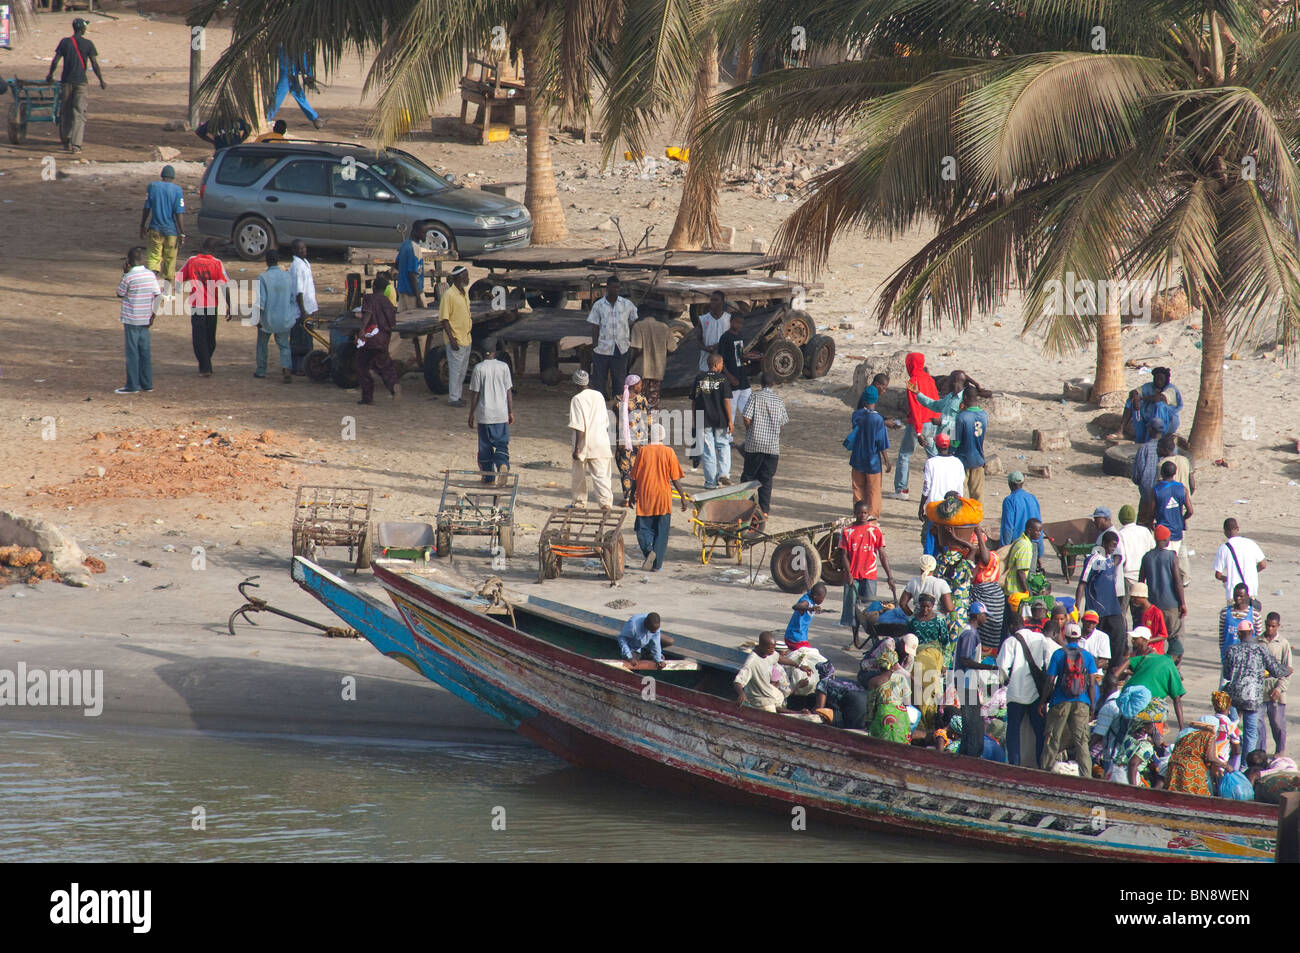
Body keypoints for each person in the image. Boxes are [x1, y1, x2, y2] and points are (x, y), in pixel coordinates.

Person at [1222, 620, 1290, 757]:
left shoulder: (1231, 650)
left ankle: (1232, 757)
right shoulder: (1261, 649)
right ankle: (1246, 765)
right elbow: (1276, 671)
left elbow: (1227, 674)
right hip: (1252, 698)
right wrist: (1287, 670)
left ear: (1239, 634)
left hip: (1234, 697)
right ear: (1252, 632)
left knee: (1232, 728)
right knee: (1251, 733)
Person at [1039, 622, 1098, 775]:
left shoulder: (1058, 654)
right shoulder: (1087, 656)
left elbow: (1050, 680)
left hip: (1060, 701)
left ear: (1064, 636)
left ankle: (1044, 773)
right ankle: (1086, 776)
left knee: (1053, 738)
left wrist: (1042, 701)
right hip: (1082, 701)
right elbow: (1092, 683)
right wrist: (1092, 705)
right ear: (1079, 637)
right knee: (1082, 741)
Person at [628, 423, 688, 571]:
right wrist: (682, 496)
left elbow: (635, 476)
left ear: (650, 436)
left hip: (646, 495)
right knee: (662, 532)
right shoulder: (669, 452)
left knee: (643, 528)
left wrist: (631, 495)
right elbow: (675, 478)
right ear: (663, 437)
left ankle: (649, 551)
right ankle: (656, 565)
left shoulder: (643, 451)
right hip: (663, 498)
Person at [998, 622, 1057, 766]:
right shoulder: (1040, 638)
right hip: (1035, 693)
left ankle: (1014, 764)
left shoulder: (1010, 641)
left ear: (1011, 628)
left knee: (1013, 730)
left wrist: (1005, 681)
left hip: (1015, 693)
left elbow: (1002, 667)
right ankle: (1040, 764)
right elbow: (1049, 661)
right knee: (1039, 730)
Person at [1077, 530, 1126, 700]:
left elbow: (1118, 559)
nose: (1114, 548)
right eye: (1112, 545)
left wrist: (1116, 557)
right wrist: (1077, 608)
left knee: (1119, 639)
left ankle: (1112, 677)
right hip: (1097, 612)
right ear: (1104, 543)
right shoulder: (1093, 560)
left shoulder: (1110, 560)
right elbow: (1082, 584)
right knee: (1095, 643)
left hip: (1113, 609)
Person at [46, 18, 105, 154]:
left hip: (66, 81)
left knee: (66, 111)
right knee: (79, 113)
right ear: (81, 29)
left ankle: (66, 141)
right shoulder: (88, 44)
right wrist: (101, 80)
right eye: (85, 27)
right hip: (81, 82)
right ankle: (76, 144)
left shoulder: (65, 42)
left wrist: (50, 75)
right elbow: (95, 64)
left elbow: (55, 61)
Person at [177, 238, 232, 377]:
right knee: (210, 336)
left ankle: (204, 364)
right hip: (212, 305)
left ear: (202, 247)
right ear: (213, 250)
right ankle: (206, 363)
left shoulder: (192, 260)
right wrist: (230, 305)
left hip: (197, 304)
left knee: (198, 336)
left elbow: (179, 277)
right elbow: (225, 285)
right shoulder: (217, 263)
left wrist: (178, 292)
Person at [836, 501, 896, 627]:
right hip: (852, 573)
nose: (862, 515)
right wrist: (848, 574)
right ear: (855, 513)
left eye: (864, 513)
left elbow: (882, 554)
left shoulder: (875, 531)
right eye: (859, 513)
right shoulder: (847, 531)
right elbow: (844, 555)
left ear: (868, 514)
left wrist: (889, 576)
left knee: (870, 607)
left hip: (869, 574)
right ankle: (853, 632)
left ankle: (868, 630)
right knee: (851, 606)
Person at [1114, 627, 1186, 730]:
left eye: (1135, 638)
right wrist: (1182, 728)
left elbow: (1128, 661)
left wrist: (1115, 675)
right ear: (1179, 658)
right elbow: (1177, 700)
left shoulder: (1151, 656)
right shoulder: (1170, 667)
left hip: (1126, 698)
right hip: (1142, 705)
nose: (1132, 640)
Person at [114, 246, 161, 395]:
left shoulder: (129, 277)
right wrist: (153, 314)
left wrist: (124, 273)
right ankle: (147, 384)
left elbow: (120, 293)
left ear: (128, 261)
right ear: (143, 260)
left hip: (131, 318)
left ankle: (132, 385)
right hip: (146, 318)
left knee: (132, 352)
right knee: (145, 351)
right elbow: (157, 295)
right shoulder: (150, 275)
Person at [893, 352, 940, 501]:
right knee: (935, 457)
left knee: (905, 455)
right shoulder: (929, 379)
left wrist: (919, 432)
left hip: (918, 424)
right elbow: (935, 402)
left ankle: (902, 489)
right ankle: (939, 488)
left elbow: (915, 408)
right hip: (932, 422)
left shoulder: (913, 381)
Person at [739, 373, 787, 517]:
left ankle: (747, 507)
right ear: (773, 384)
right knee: (766, 480)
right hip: (772, 447)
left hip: (754, 444)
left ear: (761, 384)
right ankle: (764, 511)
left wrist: (750, 431)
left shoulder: (754, 396)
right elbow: (782, 423)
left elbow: (746, 418)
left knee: (748, 477)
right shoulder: (779, 401)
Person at [1139, 525, 1187, 666]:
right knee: (1175, 639)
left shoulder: (1147, 557)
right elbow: (1178, 582)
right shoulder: (1172, 556)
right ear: (1166, 540)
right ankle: (1173, 667)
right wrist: (1182, 603)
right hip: (1171, 604)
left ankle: (1153, 665)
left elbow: (1141, 583)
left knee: (1155, 638)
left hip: (1153, 605)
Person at [467, 340, 513, 482]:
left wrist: (471, 413)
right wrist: (510, 412)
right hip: (501, 413)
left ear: (481, 353)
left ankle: (488, 477)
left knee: (485, 446)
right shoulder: (504, 367)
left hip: (485, 414)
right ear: (495, 352)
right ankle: (502, 464)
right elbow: (508, 391)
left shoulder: (478, 368)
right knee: (501, 443)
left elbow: (475, 393)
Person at [568, 370, 614, 509]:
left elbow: (579, 425)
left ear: (576, 383)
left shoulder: (577, 399)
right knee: (601, 476)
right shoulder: (599, 395)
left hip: (585, 442)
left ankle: (579, 502)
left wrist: (578, 448)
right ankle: (605, 504)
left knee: (578, 475)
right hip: (601, 441)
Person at [587, 276, 637, 400]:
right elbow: (595, 326)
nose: (616, 290)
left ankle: (618, 406)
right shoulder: (598, 305)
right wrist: (595, 345)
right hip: (602, 349)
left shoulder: (627, 304)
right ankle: (600, 404)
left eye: (618, 287)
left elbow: (633, 321)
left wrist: (626, 338)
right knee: (599, 380)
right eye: (613, 287)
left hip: (621, 349)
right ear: (607, 288)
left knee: (619, 381)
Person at [250, 249, 297, 383]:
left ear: (267, 261)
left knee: (262, 345)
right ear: (278, 261)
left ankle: (261, 371)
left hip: (268, 319)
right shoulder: (287, 276)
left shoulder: (263, 278)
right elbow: (292, 298)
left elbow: (261, 301)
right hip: (284, 318)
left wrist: (257, 318)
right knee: (284, 345)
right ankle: (286, 368)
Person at [354, 274, 400, 405]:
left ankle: (367, 397)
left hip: (370, 339)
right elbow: (392, 324)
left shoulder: (369, 298)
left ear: (373, 287)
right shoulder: (389, 304)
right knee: (384, 365)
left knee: (361, 365)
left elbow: (368, 313)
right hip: (383, 340)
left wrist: (362, 329)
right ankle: (393, 386)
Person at [691, 354, 733, 490]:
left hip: (703, 419)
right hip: (720, 419)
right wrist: (730, 420)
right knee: (723, 445)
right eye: (722, 364)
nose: (722, 366)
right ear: (716, 365)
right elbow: (726, 400)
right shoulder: (723, 379)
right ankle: (724, 474)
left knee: (708, 450)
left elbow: (693, 401)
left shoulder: (699, 378)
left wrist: (694, 420)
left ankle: (710, 482)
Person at [140, 165, 186, 287]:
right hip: (171, 232)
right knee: (170, 260)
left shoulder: (153, 187)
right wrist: (182, 232)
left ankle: (151, 286)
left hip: (155, 229)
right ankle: (166, 291)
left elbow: (147, 208)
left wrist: (142, 225)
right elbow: (179, 213)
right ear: (173, 177)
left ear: (162, 175)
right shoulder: (177, 190)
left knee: (154, 257)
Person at [849, 386, 891, 517]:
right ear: (876, 399)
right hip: (872, 460)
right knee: (873, 490)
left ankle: (858, 513)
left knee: (858, 488)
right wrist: (887, 461)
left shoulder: (856, 415)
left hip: (857, 458)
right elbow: (881, 443)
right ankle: (872, 516)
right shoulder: (878, 419)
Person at [955, 603, 989, 757]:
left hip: (968, 681)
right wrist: (988, 668)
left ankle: (966, 752)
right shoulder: (969, 634)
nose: (986, 618)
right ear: (976, 615)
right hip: (966, 682)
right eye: (984, 615)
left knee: (972, 720)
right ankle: (970, 754)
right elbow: (965, 660)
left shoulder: (972, 632)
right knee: (972, 721)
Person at [717, 312, 757, 437]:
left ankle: (752, 436)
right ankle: (727, 439)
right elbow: (721, 360)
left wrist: (748, 357)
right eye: (737, 322)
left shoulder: (740, 336)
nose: (739, 325)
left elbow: (739, 356)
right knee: (731, 411)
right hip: (732, 380)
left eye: (741, 323)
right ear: (731, 321)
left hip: (742, 379)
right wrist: (729, 376)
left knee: (749, 409)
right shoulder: (725, 338)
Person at [1166, 717, 1230, 795]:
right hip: (1192, 769)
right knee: (1196, 797)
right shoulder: (1209, 735)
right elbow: (1211, 758)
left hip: (1174, 765)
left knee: (1174, 795)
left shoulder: (1184, 733)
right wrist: (1226, 766)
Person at [627, 313, 677, 410]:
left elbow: (637, 348)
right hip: (657, 370)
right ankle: (652, 420)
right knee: (653, 399)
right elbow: (672, 348)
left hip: (640, 369)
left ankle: (639, 419)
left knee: (638, 399)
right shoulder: (664, 327)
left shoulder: (638, 326)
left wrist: (630, 363)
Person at [439, 266, 473, 407]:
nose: (468, 278)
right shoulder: (449, 295)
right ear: (459, 278)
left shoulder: (464, 292)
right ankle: (453, 398)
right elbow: (444, 319)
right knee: (455, 370)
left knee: (462, 371)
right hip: (456, 339)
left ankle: (457, 396)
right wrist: (452, 339)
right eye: (466, 276)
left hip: (466, 338)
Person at [269, 45, 325, 128]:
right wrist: (308, 74)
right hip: (289, 71)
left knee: (298, 94)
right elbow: (303, 57)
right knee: (280, 95)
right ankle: (267, 117)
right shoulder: (299, 40)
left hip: (287, 69)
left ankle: (315, 118)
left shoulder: (283, 40)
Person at [1116, 504, 1155, 623]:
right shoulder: (1144, 531)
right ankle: (1139, 637)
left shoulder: (1120, 534)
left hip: (1128, 577)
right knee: (1139, 613)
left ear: (1120, 519)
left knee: (1122, 611)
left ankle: (1122, 639)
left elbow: (1120, 558)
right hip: (1143, 579)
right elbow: (1152, 549)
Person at [1214, 519, 1267, 604]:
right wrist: (1251, 572)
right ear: (1238, 528)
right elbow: (1263, 565)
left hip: (1233, 594)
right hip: (1250, 591)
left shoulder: (1223, 548)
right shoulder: (1250, 543)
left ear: (1224, 531)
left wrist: (1227, 578)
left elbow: (1218, 575)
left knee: (1234, 616)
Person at [734, 631, 790, 712]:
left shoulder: (769, 653)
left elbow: (780, 658)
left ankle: (792, 713)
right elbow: (738, 681)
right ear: (762, 646)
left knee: (780, 696)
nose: (772, 651)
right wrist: (741, 694)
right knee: (770, 711)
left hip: (766, 690)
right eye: (770, 648)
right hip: (757, 696)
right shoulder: (752, 662)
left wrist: (798, 665)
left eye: (773, 648)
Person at [615, 374, 649, 505]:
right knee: (638, 468)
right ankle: (637, 496)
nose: (641, 386)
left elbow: (615, 421)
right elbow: (648, 420)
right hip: (639, 441)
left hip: (623, 441)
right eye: (640, 384)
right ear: (634, 386)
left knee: (625, 468)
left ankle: (627, 498)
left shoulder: (618, 400)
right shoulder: (642, 400)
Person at [865, 649, 913, 742]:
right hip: (901, 715)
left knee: (881, 744)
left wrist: (868, 722)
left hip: (883, 715)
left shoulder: (874, 681)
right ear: (894, 666)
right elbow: (907, 702)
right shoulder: (901, 678)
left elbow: (871, 707)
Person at [1262, 613, 1291, 756]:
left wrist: (1279, 688)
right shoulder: (1258, 641)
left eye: (1273, 626)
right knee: (1258, 725)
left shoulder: (1283, 644)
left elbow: (1288, 670)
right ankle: (1260, 752)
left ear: (1278, 626)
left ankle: (1280, 751)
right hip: (1260, 690)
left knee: (1277, 723)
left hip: (1275, 690)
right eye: (1268, 625)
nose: (1270, 629)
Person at [953, 387, 988, 501]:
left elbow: (956, 442)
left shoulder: (962, 417)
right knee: (977, 496)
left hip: (962, 461)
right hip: (978, 459)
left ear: (965, 398)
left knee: (959, 494)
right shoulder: (984, 415)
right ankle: (977, 517)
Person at [288, 240, 318, 375]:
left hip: (308, 308)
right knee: (299, 340)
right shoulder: (297, 266)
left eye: (304, 248)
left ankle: (306, 366)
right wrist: (303, 311)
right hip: (300, 311)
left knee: (307, 339)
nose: (303, 250)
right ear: (294, 251)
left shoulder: (305, 263)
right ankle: (297, 367)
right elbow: (298, 292)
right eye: (300, 249)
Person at [1131, 418, 1164, 526]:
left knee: (1143, 524)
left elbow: (1137, 474)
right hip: (1164, 494)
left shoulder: (1144, 448)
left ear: (1150, 430)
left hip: (1147, 494)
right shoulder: (1171, 448)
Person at [1151, 460, 1192, 547]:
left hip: (1162, 532)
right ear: (1175, 473)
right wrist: (1182, 519)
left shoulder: (1156, 489)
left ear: (1161, 473)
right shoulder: (1182, 489)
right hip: (1177, 531)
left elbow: (1151, 511)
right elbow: (1190, 511)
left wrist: (1151, 524)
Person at [1218, 584, 1264, 661]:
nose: (1237, 598)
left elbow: (1258, 638)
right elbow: (1222, 636)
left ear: (1247, 596)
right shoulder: (1225, 612)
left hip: (1248, 657)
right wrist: (1223, 653)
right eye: (1235, 595)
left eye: (1241, 596)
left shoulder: (1255, 614)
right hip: (1229, 656)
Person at [1004, 518, 1043, 606]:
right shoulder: (1025, 546)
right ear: (1029, 530)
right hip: (1015, 590)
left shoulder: (1020, 540)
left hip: (1010, 588)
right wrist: (1027, 590)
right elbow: (1021, 571)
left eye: (1040, 531)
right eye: (1037, 531)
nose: (1039, 534)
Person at [999, 472, 1040, 550]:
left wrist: (1004, 548)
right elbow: (1039, 526)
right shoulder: (1033, 498)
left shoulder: (1009, 500)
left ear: (1010, 484)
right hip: (1033, 545)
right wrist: (1040, 552)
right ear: (1022, 483)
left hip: (1018, 545)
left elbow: (1007, 528)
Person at [1128, 583, 1169, 655]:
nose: (1132, 600)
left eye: (1134, 598)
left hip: (1154, 650)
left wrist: (1146, 641)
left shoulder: (1156, 613)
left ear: (1141, 597)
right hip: (1141, 649)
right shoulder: (1137, 611)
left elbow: (1163, 635)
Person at [696, 290, 731, 373]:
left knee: (722, 384)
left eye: (716, 300)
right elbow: (698, 340)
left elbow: (731, 339)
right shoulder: (703, 319)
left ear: (722, 302)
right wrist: (707, 348)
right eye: (711, 300)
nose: (712, 302)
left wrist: (718, 346)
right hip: (706, 363)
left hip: (724, 362)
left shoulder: (729, 319)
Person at [785, 584, 828, 651]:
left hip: (796, 636)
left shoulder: (811, 594)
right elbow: (795, 606)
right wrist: (810, 608)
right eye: (822, 598)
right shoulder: (806, 602)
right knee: (809, 656)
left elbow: (808, 583)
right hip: (796, 638)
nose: (823, 600)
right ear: (815, 596)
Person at [395, 224, 427, 310]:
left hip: (402, 291)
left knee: (403, 320)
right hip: (412, 294)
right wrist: (418, 298)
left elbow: (397, 264)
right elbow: (412, 274)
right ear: (416, 232)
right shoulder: (414, 248)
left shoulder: (405, 244)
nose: (425, 235)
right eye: (423, 233)